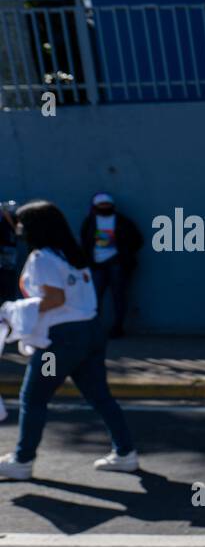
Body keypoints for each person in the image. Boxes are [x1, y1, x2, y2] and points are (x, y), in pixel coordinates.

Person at [0, 200, 138, 480]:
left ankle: (22, 461)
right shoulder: (71, 254)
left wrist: (15, 311)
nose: (19, 228)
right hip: (89, 332)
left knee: (33, 398)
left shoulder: (42, 258)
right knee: (100, 397)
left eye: (23, 223)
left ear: (36, 228)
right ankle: (126, 453)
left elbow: (55, 298)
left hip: (60, 342)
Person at [78, 192, 143, 338]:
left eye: (107, 204)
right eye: (101, 205)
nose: (105, 207)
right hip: (97, 265)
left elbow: (137, 240)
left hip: (117, 264)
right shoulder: (90, 222)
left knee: (118, 296)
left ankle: (118, 327)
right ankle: (95, 328)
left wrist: (124, 254)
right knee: (95, 298)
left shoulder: (122, 222)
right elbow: (84, 242)